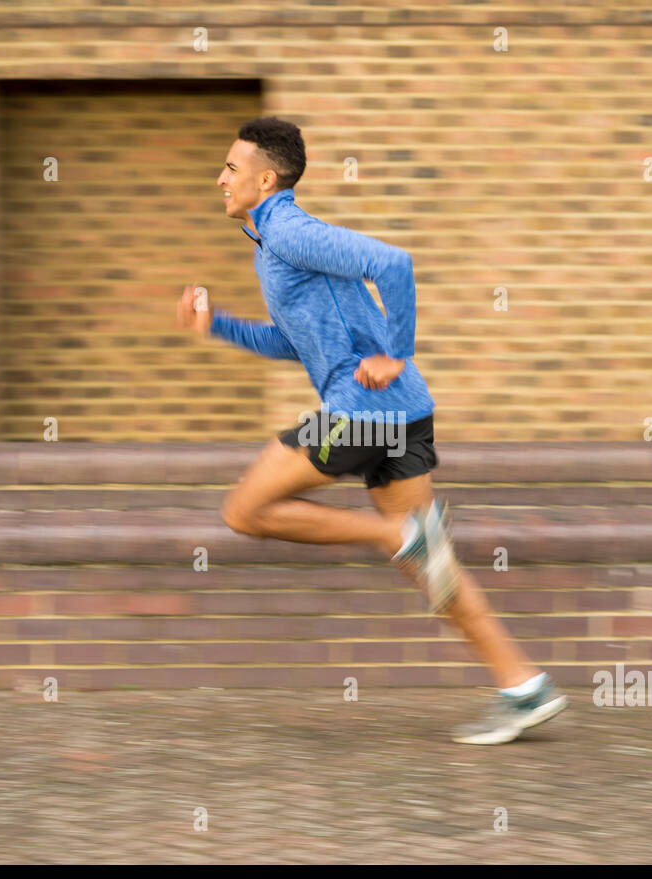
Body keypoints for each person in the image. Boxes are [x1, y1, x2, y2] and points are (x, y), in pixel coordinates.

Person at [176, 116, 566, 744]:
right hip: (401, 418)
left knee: (245, 509)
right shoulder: (270, 245)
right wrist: (217, 325)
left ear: (264, 178)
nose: (219, 178)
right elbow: (291, 343)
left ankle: (395, 534)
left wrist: (397, 352)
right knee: (432, 568)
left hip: (363, 414)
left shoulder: (290, 231)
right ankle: (525, 688)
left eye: (229, 168)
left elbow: (394, 263)